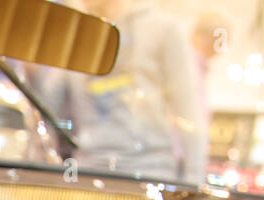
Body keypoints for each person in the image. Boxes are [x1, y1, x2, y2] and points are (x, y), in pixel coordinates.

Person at [66, 0, 208, 183]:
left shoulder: (163, 29)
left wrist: (194, 181)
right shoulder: (77, 34)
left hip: (149, 172)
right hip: (87, 170)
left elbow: (188, 109)